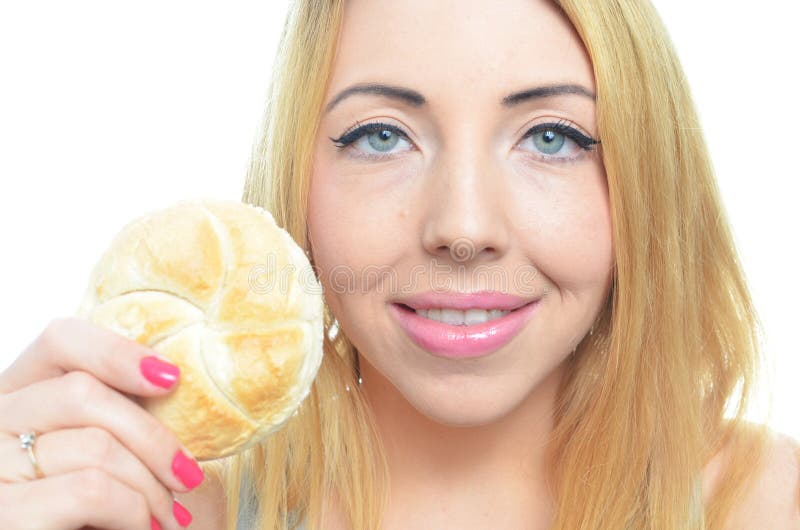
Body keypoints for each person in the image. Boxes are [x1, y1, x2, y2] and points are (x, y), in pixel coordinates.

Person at [1, 0, 798, 529]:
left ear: (647, 180)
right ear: (296, 181)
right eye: (380, 135)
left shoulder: (777, 504)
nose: (463, 226)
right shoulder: (146, 511)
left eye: (552, 136)